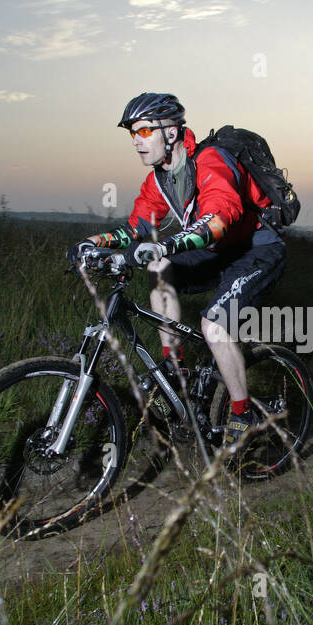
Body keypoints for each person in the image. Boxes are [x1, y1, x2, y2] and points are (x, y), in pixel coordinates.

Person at [67, 92, 286, 450]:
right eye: (131, 134)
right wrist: (94, 241)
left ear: (170, 133)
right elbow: (136, 227)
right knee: (158, 267)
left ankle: (243, 413)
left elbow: (219, 218)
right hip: (219, 252)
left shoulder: (211, 161)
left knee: (213, 324)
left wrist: (166, 243)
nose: (137, 141)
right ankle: (176, 368)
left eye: (143, 131)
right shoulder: (159, 180)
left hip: (257, 251)